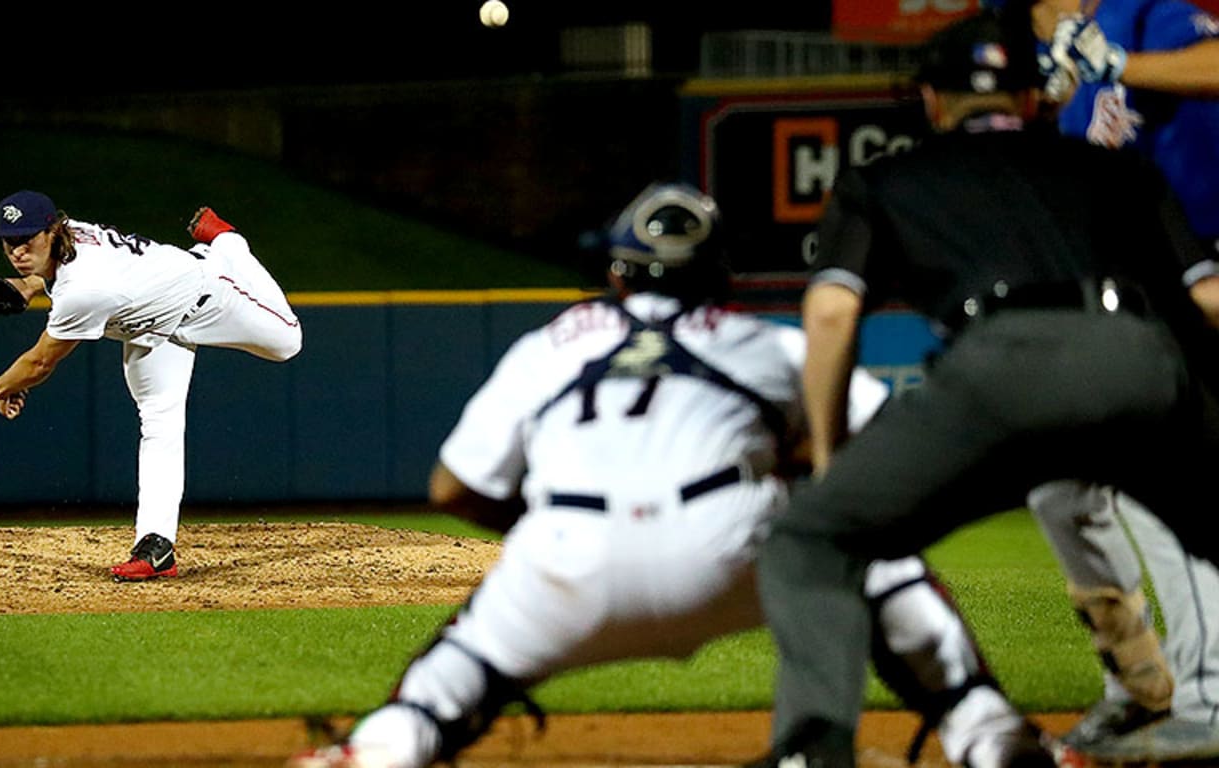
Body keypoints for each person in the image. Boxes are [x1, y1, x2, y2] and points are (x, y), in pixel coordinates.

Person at [288, 183, 1057, 768]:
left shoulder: (552, 343)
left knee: (461, 663)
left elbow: (452, 488)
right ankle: (986, 731)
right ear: (720, 274)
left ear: (619, 273)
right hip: (729, 547)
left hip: (567, 555)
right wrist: (807, 476)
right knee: (870, 557)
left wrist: (541, 531)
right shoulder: (763, 340)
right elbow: (892, 433)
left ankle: (380, 748)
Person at [749, 9, 1219, 768]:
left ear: (932, 103)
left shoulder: (886, 178)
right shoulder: (1117, 168)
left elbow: (832, 313)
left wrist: (831, 458)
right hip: (1142, 352)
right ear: (1034, 100)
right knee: (1143, 509)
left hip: (997, 366)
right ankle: (1158, 686)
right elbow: (1208, 300)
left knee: (812, 540)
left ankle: (814, 751)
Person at [1016, 2, 1219, 760]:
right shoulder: (1063, 57)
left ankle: (1211, 696)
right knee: (1061, 489)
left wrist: (1119, 63)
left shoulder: (1148, 12)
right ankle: (1138, 688)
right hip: (1118, 281)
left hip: (1198, 270)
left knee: (1164, 480)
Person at [0, 190, 302, 581]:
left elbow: (39, 362)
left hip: (207, 292)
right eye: (9, 240)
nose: (16, 250)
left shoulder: (84, 289)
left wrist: (2, 385)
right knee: (159, 426)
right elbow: (54, 274)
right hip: (152, 328)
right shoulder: (71, 235)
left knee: (288, 342)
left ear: (52, 230)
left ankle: (226, 241)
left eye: (27, 238)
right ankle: (156, 545)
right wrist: (26, 286)